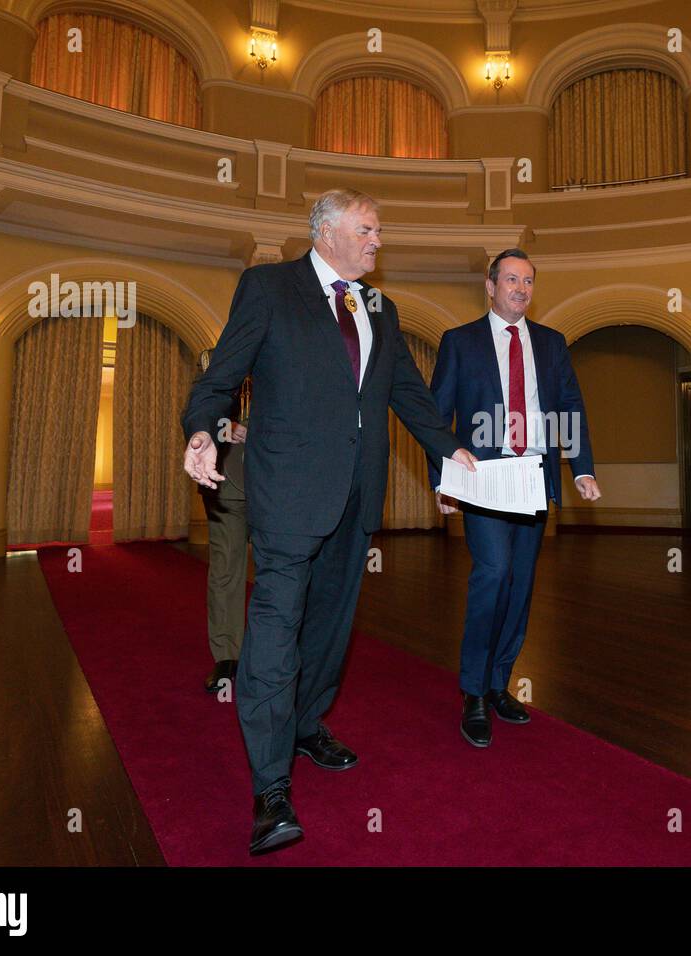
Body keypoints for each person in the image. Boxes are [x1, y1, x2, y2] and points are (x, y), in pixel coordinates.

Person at [181, 188, 477, 854]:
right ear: (327, 232)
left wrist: (448, 450)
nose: (378, 241)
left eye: (378, 231)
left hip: (356, 497)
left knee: (330, 627)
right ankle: (270, 786)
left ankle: (307, 724)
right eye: (369, 229)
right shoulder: (268, 287)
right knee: (275, 628)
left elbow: (407, 391)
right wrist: (202, 430)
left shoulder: (381, 307)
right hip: (287, 493)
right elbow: (223, 373)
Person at [426, 248, 600, 748]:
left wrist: (581, 467)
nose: (520, 289)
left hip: (534, 477)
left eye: (528, 281)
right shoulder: (459, 342)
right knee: (494, 572)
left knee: (520, 584)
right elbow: (439, 416)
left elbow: (570, 404)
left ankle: (500, 683)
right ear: (490, 285)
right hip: (483, 477)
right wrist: (443, 481)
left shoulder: (551, 343)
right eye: (511, 280)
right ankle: (473, 692)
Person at [197, 360, 249, 694]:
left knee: (286, 573)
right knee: (226, 570)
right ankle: (228, 657)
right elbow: (195, 413)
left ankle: (276, 655)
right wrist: (221, 428)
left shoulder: (292, 349)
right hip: (227, 484)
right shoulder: (215, 358)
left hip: (282, 486)